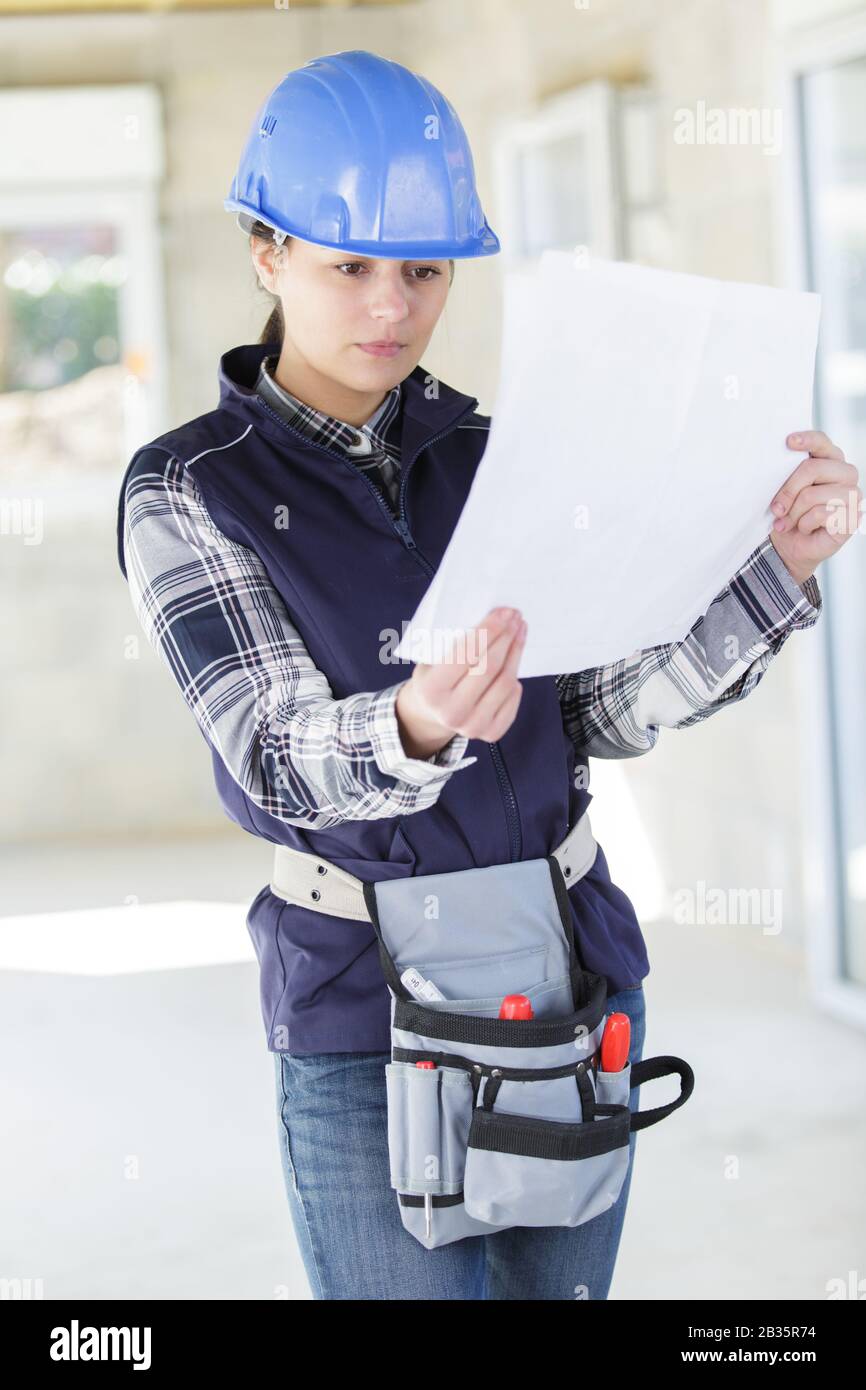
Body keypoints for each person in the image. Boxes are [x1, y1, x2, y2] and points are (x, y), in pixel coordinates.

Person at [116, 50, 858, 1300]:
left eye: (421, 267)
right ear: (265, 254)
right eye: (346, 264)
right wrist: (409, 728)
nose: (388, 306)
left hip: (565, 974)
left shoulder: (492, 454)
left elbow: (602, 710)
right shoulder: (192, 488)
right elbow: (271, 750)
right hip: (369, 1016)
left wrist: (772, 570)